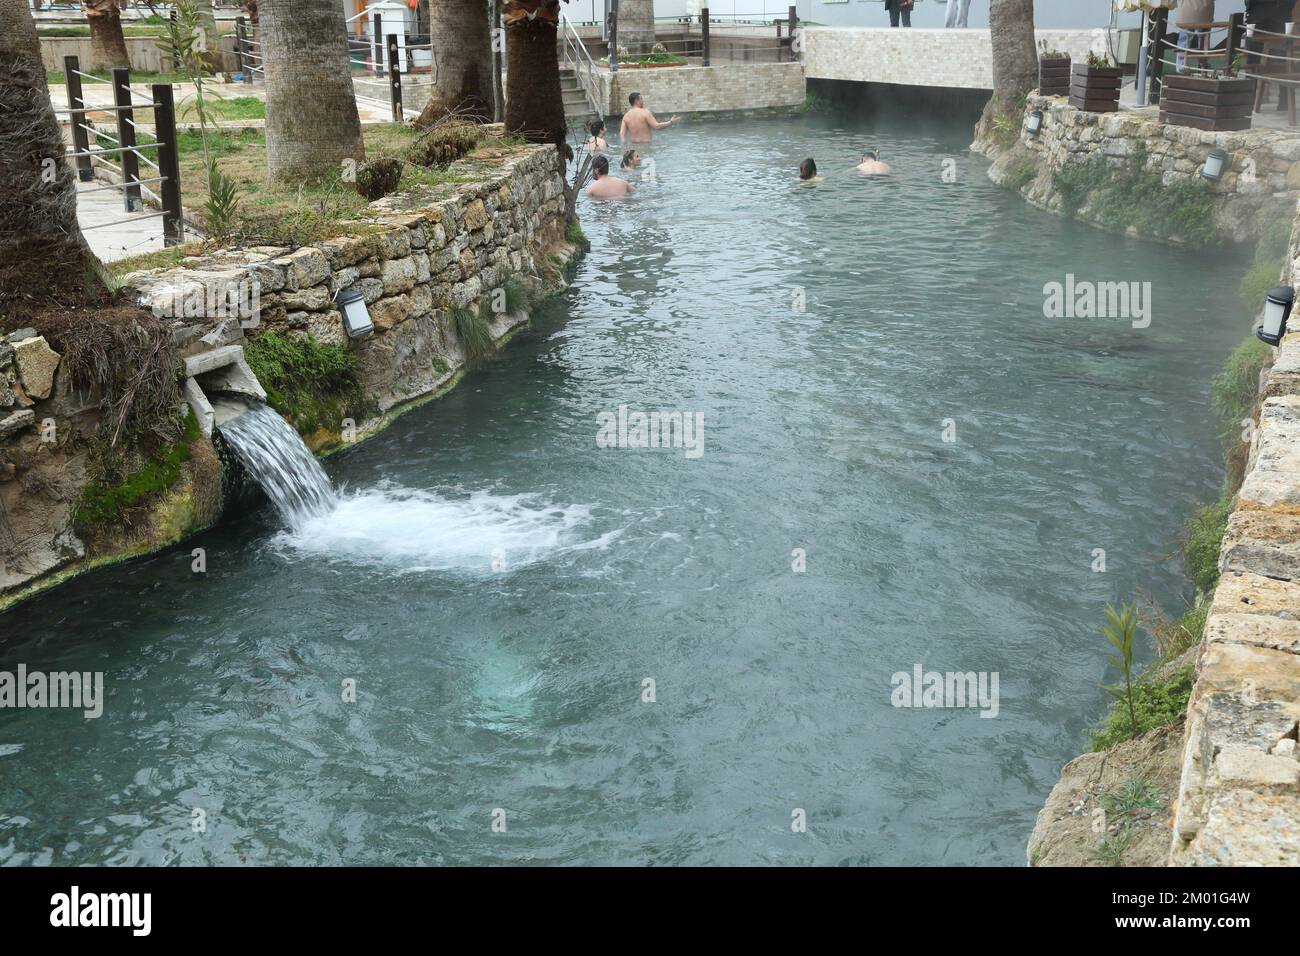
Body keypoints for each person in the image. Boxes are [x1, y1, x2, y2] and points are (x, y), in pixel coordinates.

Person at [1175, 0, 1215, 74]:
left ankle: (1181, 66)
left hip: (1185, 11)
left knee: (1184, 41)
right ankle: (1203, 65)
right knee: (1204, 41)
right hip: (1205, 11)